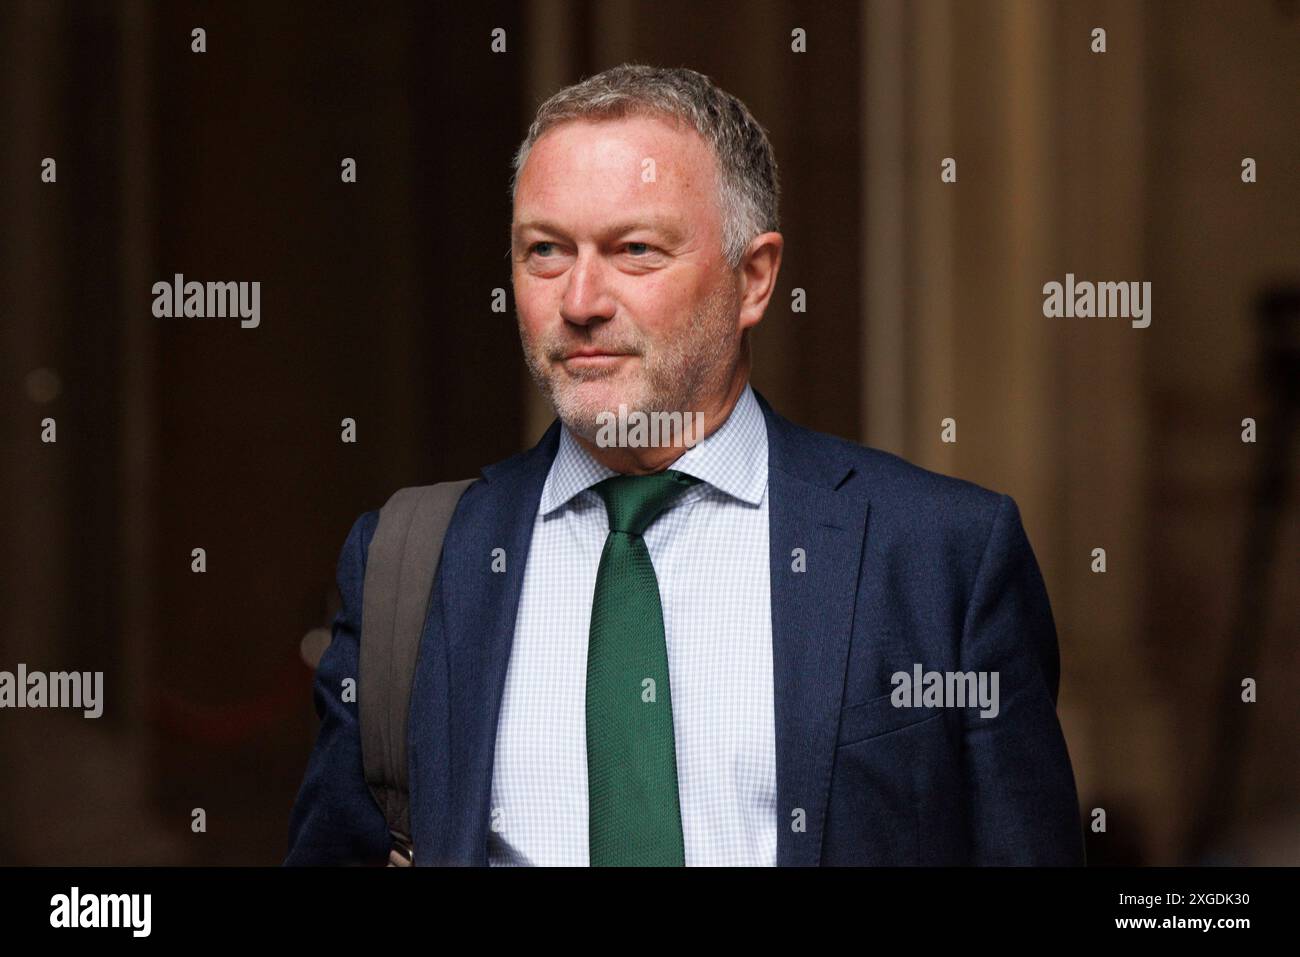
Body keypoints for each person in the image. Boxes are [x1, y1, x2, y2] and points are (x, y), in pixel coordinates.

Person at [285, 64, 1085, 867]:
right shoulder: (411, 565)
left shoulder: (939, 556)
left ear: (754, 278)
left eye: (635, 249)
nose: (582, 300)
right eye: (545, 251)